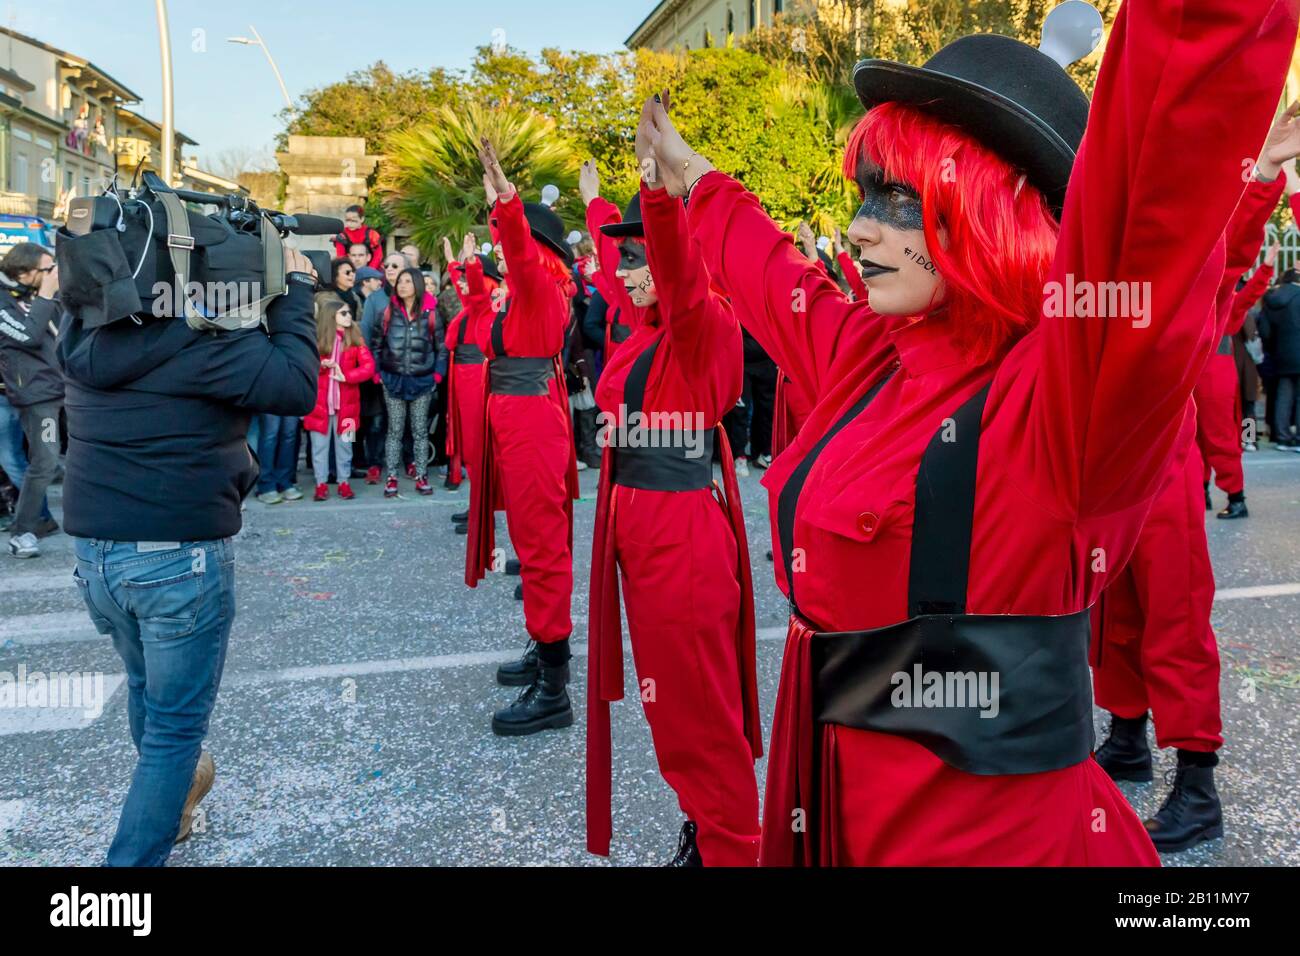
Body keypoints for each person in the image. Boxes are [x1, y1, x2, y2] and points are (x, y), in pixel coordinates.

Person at [638, 0, 1299, 865]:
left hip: (986, 841)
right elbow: (774, 280)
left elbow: (1158, 191)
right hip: (839, 806)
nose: (862, 225)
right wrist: (693, 181)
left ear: (989, 211)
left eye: (901, 198)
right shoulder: (876, 356)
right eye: (865, 193)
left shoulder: (1061, 396)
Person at [58, 244, 318, 866]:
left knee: (148, 692)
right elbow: (296, 383)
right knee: (174, 733)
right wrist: (297, 287)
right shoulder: (204, 345)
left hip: (97, 557)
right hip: (176, 559)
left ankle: (173, 813)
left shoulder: (79, 334)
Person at [1090, 129, 1300, 855]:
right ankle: (1126, 738)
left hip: (1163, 464)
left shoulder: (1187, 268)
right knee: (1114, 613)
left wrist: (1268, 167)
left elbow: (1234, 246)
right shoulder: (1098, 261)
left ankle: (1198, 787)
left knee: (1174, 621)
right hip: (1107, 468)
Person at [584, 141, 762, 866]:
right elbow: (614, 271)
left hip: (679, 535)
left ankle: (734, 849)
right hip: (647, 531)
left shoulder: (702, 325)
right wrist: (602, 205)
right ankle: (706, 826)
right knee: (674, 709)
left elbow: (682, 280)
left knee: (700, 715)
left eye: (640, 255)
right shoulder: (647, 326)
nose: (625, 272)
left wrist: (659, 198)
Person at [465, 143, 580, 737]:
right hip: (521, 421)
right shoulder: (525, 296)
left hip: (531, 424)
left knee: (541, 549)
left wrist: (506, 203)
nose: (505, 257)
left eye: (514, 245)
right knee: (533, 542)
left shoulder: (540, 290)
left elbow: (518, 256)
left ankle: (554, 688)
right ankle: (544, 645)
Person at [0, 243, 63, 558]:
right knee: (46, 460)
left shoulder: (36, 293)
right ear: (24, 273)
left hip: (66, 387)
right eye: (48, 269)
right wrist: (47, 294)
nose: (54, 274)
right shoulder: (3, 300)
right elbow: (29, 335)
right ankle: (22, 531)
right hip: (40, 397)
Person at [368, 266, 444, 497]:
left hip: (422, 381)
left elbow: (442, 348)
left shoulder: (431, 313)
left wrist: (437, 375)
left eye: (408, 281)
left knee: (420, 431)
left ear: (418, 285)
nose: (402, 285)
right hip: (393, 380)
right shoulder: (387, 312)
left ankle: (421, 476)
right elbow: (375, 345)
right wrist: (378, 373)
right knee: (395, 431)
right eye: (400, 281)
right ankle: (391, 478)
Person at [442, 235, 496, 526]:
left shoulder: (485, 305)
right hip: (463, 378)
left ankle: (482, 511)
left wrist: (471, 261)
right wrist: (454, 261)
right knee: (470, 446)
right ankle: (478, 505)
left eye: (467, 278)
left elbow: (474, 290)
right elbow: (467, 290)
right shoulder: (473, 308)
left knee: (477, 447)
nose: (460, 283)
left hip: (476, 378)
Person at [305, 298, 374, 501]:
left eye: (349, 313)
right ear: (331, 316)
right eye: (343, 313)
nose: (349, 316)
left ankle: (344, 482)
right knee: (319, 448)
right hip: (319, 407)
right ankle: (321, 484)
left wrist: (347, 376)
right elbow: (306, 367)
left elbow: (369, 367)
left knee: (346, 446)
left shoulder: (355, 338)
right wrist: (322, 365)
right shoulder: (317, 340)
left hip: (348, 407)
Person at [1260, 263, 1300, 450]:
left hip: (1279, 354)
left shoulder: (1271, 298)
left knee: (1283, 395)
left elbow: (1265, 330)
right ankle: (1298, 436)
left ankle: (1280, 436)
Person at [332, 204, 383, 270]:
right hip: (349, 269)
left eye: (353, 220)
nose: (349, 224)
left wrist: (369, 271)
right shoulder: (342, 235)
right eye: (347, 220)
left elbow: (378, 256)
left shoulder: (372, 234)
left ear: (362, 219)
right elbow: (341, 258)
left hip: (372, 269)